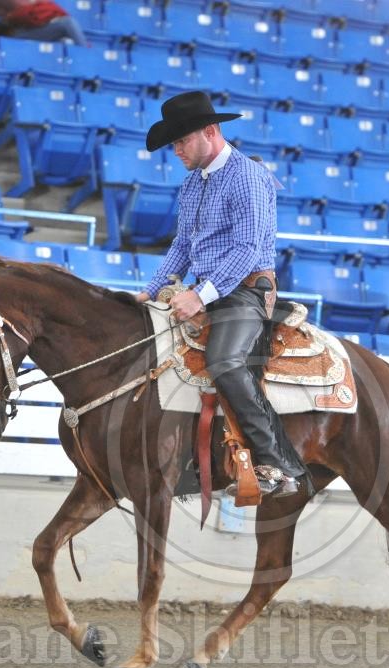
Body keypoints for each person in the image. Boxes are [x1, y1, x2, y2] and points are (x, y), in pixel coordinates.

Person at [134, 91, 309, 498]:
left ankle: (276, 465)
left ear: (210, 132)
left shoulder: (247, 177)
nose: (176, 151)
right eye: (174, 144)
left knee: (225, 361)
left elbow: (247, 249)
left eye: (181, 141)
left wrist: (199, 295)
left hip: (246, 291)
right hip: (208, 289)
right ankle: (190, 460)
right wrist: (149, 291)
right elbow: (182, 246)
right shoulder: (192, 184)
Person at [0, 0, 89, 46]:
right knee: (67, 23)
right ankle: (87, 54)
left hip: (30, 27)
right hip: (12, 33)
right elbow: (23, 7)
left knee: (65, 38)